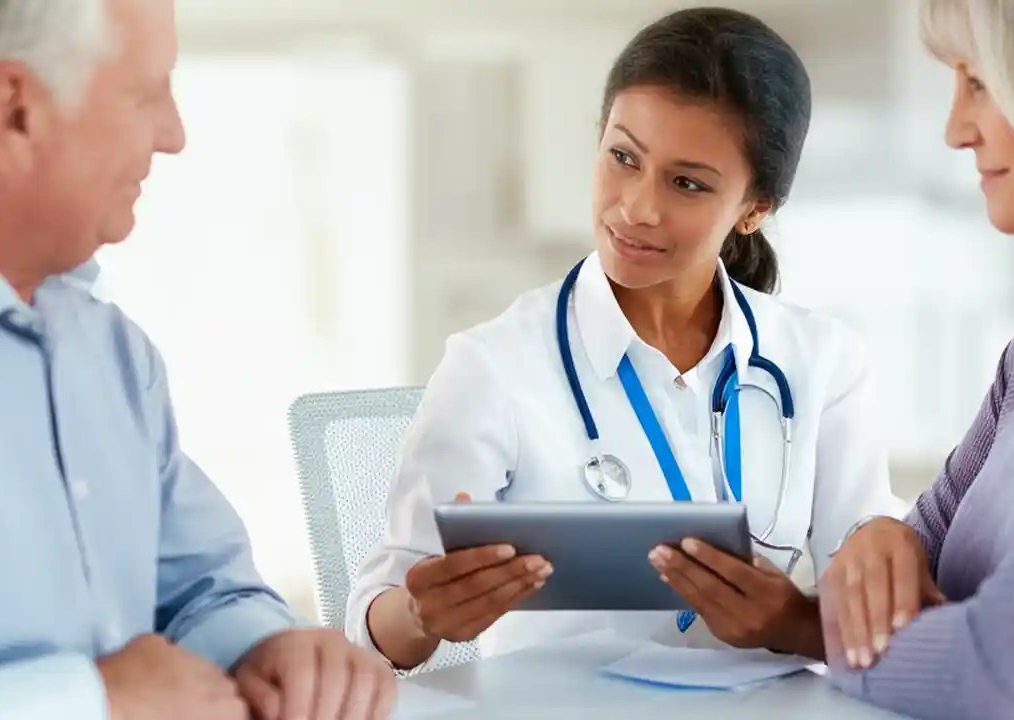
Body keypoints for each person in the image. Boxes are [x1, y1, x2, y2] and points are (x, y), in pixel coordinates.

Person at [0, 1, 394, 719]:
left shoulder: (106, 350)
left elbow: (206, 590)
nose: (173, 135)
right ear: (15, 112)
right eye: (146, 95)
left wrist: (268, 650)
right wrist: (94, 704)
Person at [346, 7, 902, 671]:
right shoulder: (493, 365)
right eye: (623, 158)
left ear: (755, 208)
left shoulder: (822, 362)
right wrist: (419, 614)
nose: (637, 206)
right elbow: (375, 619)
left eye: (687, 183)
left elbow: (877, 605)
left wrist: (792, 621)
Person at [820, 1, 1014, 718]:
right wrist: (876, 541)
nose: (955, 130)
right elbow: (929, 537)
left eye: (978, 84)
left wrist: (817, 628)